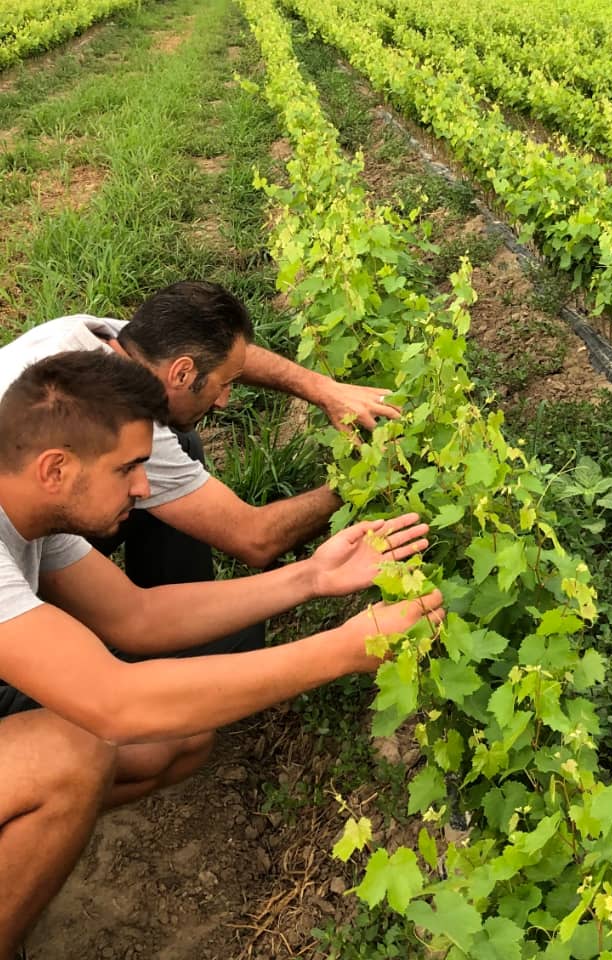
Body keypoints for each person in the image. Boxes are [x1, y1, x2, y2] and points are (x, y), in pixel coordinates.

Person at [0, 351, 444, 959]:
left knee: (175, 743)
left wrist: (310, 578)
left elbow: (138, 616)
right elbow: (114, 702)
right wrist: (343, 649)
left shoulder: (30, 508)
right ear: (55, 468)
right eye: (128, 467)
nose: (144, 485)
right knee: (70, 755)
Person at [0, 280, 400, 655]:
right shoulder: (110, 427)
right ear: (182, 374)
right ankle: (153, 645)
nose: (225, 400)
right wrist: (357, 480)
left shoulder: (92, 343)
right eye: (224, 385)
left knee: (183, 447)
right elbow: (255, 539)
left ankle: (170, 611)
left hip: (32, 520)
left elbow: (221, 354)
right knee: (199, 680)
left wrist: (320, 388)